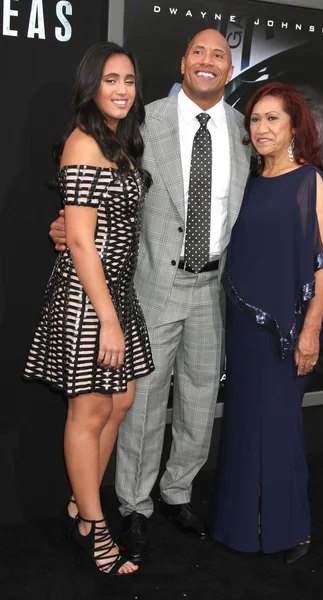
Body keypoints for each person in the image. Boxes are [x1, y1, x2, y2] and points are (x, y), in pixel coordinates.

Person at [49, 29, 252, 561]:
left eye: (220, 55)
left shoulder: (243, 129)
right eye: (199, 52)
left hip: (211, 285)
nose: (208, 61)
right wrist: (67, 227)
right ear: (183, 62)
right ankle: (133, 505)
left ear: (229, 70)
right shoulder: (142, 120)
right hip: (150, 284)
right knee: (137, 404)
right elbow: (92, 192)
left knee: (199, 398)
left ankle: (177, 492)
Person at [23, 41, 154, 575]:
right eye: (110, 80)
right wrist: (107, 319)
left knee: (119, 402)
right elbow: (79, 241)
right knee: (90, 411)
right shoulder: (83, 143)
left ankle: (81, 507)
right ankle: (94, 530)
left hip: (116, 290)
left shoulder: (119, 143)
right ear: (91, 86)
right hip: (87, 296)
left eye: (129, 80)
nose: (122, 90)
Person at [207, 82, 323, 563]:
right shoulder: (247, 180)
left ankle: (291, 529)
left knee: (280, 426)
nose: (261, 127)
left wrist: (310, 332)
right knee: (243, 422)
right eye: (255, 119)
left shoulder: (310, 182)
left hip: (287, 332)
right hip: (243, 326)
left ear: (294, 125)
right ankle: (239, 525)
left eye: (272, 118)